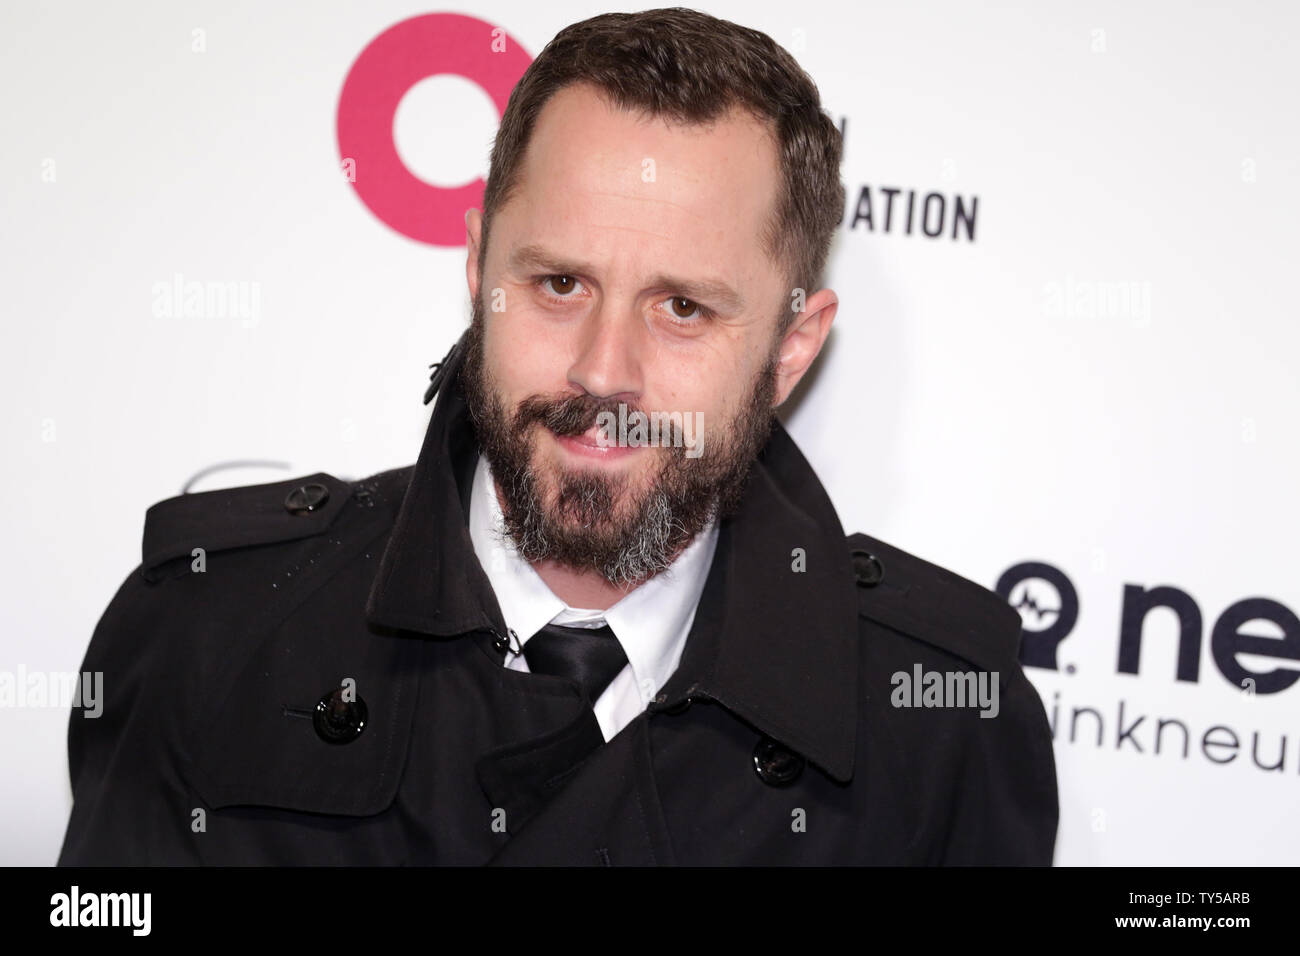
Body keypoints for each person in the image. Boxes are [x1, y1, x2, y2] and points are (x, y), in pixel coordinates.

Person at [57, 7, 1057, 865]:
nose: (602, 368)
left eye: (682, 308)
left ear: (791, 349)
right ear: (477, 267)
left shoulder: (940, 720)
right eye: (559, 283)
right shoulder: (209, 625)